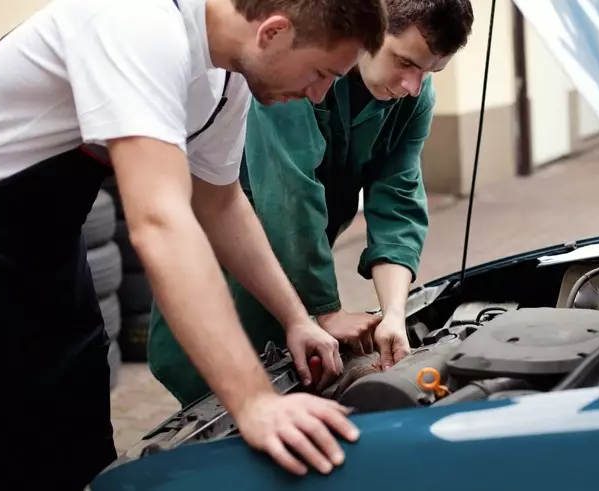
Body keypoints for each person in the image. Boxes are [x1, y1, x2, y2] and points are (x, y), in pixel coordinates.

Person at [0, 0, 387, 488]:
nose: (318, 95)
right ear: (273, 31)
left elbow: (220, 204)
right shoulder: (135, 23)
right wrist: (253, 402)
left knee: (80, 441)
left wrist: (296, 319)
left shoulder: (227, 78)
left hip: (51, 246)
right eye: (320, 72)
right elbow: (161, 223)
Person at [148, 0, 474, 406]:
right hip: (229, 254)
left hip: (298, 265)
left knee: (289, 373)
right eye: (405, 62)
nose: (413, 84)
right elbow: (290, 194)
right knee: (212, 391)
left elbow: (398, 199)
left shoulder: (413, 97)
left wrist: (394, 313)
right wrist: (328, 310)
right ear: (371, 30)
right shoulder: (299, 70)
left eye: (429, 72)